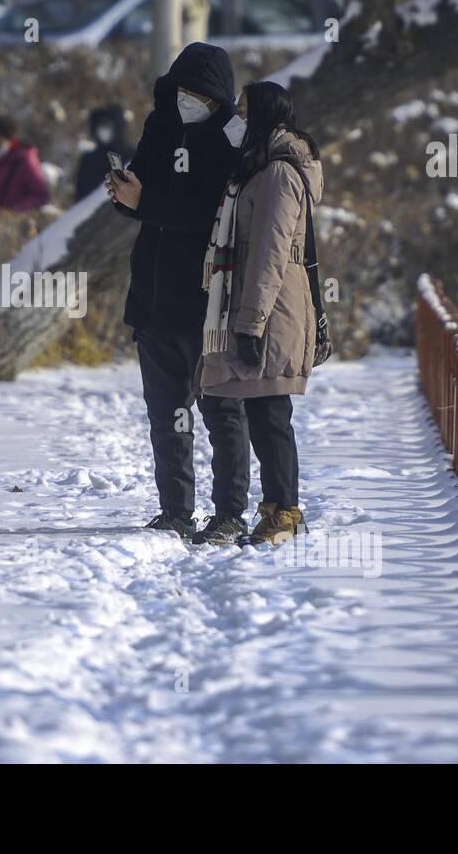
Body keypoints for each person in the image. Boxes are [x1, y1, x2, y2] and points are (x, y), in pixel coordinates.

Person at [105, 42, 251, 541]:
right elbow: (148, 201)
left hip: (209, 302)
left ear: (218, 98)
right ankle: (175, 509)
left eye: (198, 93)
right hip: (154, 299)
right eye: (181, 89)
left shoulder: (230, 142)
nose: (187, 99)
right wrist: (126, 196)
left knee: (221, 412)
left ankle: (230, 511)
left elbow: (211, 217)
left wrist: (146, 203)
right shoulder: (161, 126)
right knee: (167, 415)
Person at [196, 80, 324, 547]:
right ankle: (276, 510)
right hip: (263, 305)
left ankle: (284, 513)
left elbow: (269, 255)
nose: (237, 120)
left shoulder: (278, 176)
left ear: (266, 117)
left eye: (245, 112)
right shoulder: (259, 168)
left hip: (271, 310)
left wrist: (249, 326)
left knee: (271, 414)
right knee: (265, 410)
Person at [0, 116, 50, 211]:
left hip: (15, 221)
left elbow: (39, 195)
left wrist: (14, 211)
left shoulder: (23, 160)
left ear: (8, 139)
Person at [74, 104, 132, 202]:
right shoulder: (89, 161)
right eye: (100, 126)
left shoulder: (130, 156)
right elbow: (81, 199)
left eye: (107, 126)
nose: (103, 131)